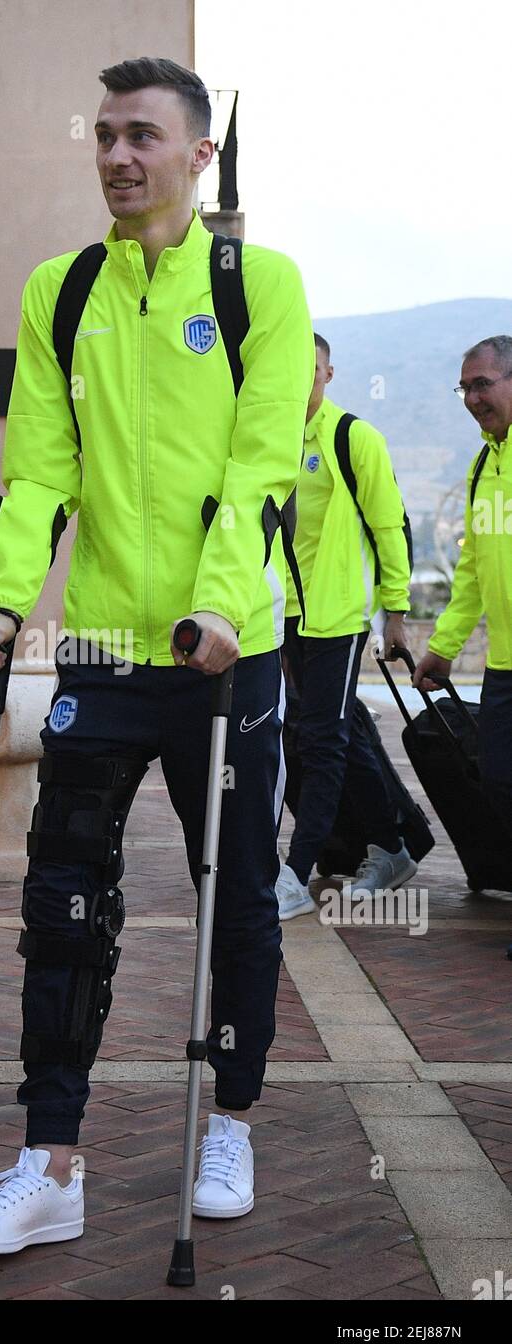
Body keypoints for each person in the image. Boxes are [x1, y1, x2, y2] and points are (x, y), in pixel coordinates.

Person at [0, 56, 314, 1256]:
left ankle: (234, 1116)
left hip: (225, 654)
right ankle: (51, 1158)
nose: (115, 155)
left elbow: (258, 468)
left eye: (141, 137)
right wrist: (6, 604)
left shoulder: (259, 286)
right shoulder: (61, 292)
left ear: (196, 157)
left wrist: (214, 610)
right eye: (103, 135)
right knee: (60, 898)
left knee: (237, 902)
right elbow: (42, 469)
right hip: (101, 646)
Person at [275, 334, 417, 920]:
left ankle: (295, 872)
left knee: (322, 741)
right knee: (319, 735)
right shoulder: (269, 439)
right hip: (281, 619)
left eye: (310, 369)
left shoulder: (353, 437)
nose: (300, 378)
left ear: (329, 372)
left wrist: (397, 615)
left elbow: (390, 526)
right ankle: (389, 845)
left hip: (337, 618)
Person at [413, 335, 512, 830]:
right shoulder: (481, 468)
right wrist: (443, 646)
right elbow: (471, 569)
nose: (473, 399)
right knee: (497, 779)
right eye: (464, 389)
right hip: (504, 666)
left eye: (482, 385)